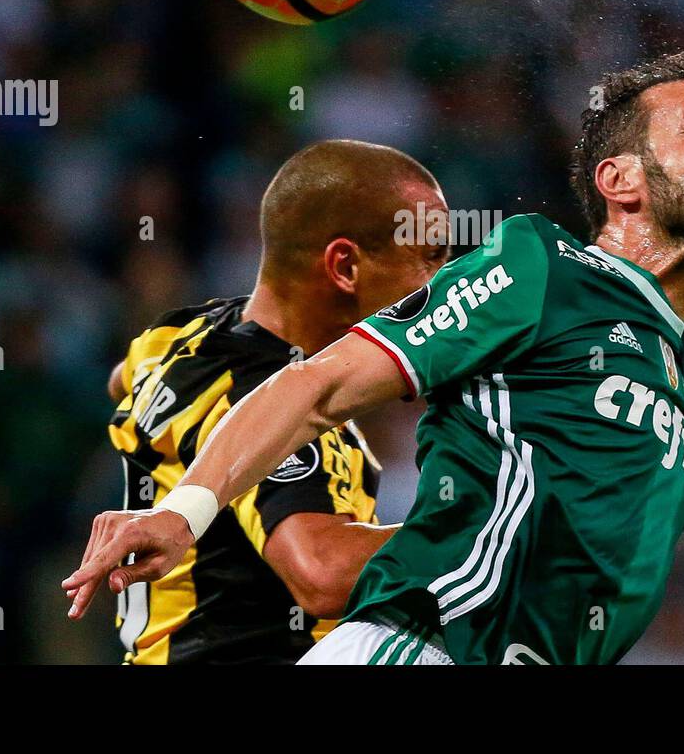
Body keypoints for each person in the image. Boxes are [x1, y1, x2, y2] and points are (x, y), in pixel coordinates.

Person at [65, 51, 684, 664]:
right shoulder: (545, 266)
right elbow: (315, 388)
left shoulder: (666, 369)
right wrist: (183, 513)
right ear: (620, 181)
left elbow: (131, 370)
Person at [101, 139, 449, 662]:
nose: (445, 284)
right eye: (430, 257)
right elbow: (321, 572)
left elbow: (122, 378)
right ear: (345, 267)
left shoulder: (178, 335)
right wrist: (492, 533)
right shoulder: (265, 411)